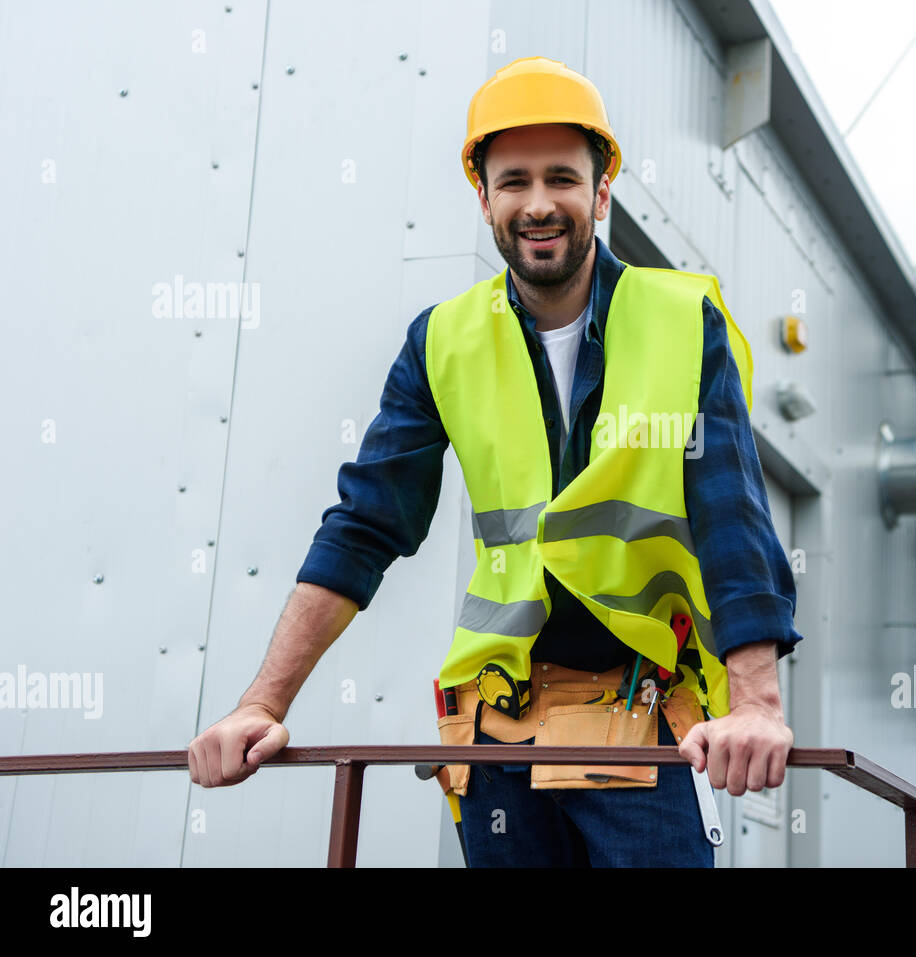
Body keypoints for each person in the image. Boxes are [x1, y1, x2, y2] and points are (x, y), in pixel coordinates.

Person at [187, 56, 803, 867]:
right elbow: (367, 523)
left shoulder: (682, 321)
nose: (539, 203)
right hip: (498, 730)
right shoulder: (442, 342)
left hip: (640, 720)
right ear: (484, 198)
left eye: (562, 178)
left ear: (602, 192)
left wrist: (757, 702)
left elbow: (730, 514)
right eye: (513, 181)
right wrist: (260, 703)